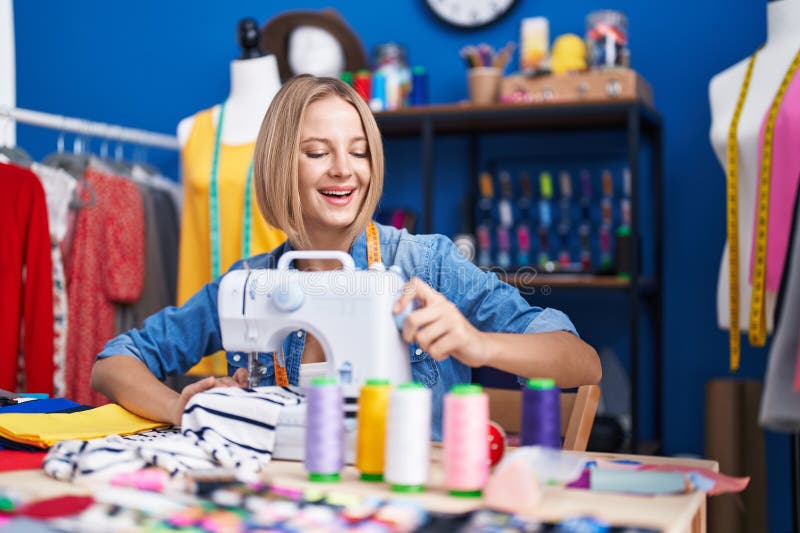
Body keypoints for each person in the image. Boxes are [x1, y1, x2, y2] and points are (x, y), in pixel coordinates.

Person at [92, 75, 601, 440]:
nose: (344, 169)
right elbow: (113, 363)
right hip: (289, 499)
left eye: (359, 152)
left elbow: (581, 361)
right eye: (318, 153)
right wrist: (184, 409)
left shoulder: (426, 264)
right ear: (279, 165)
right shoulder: (249, 284)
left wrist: (477, 343)